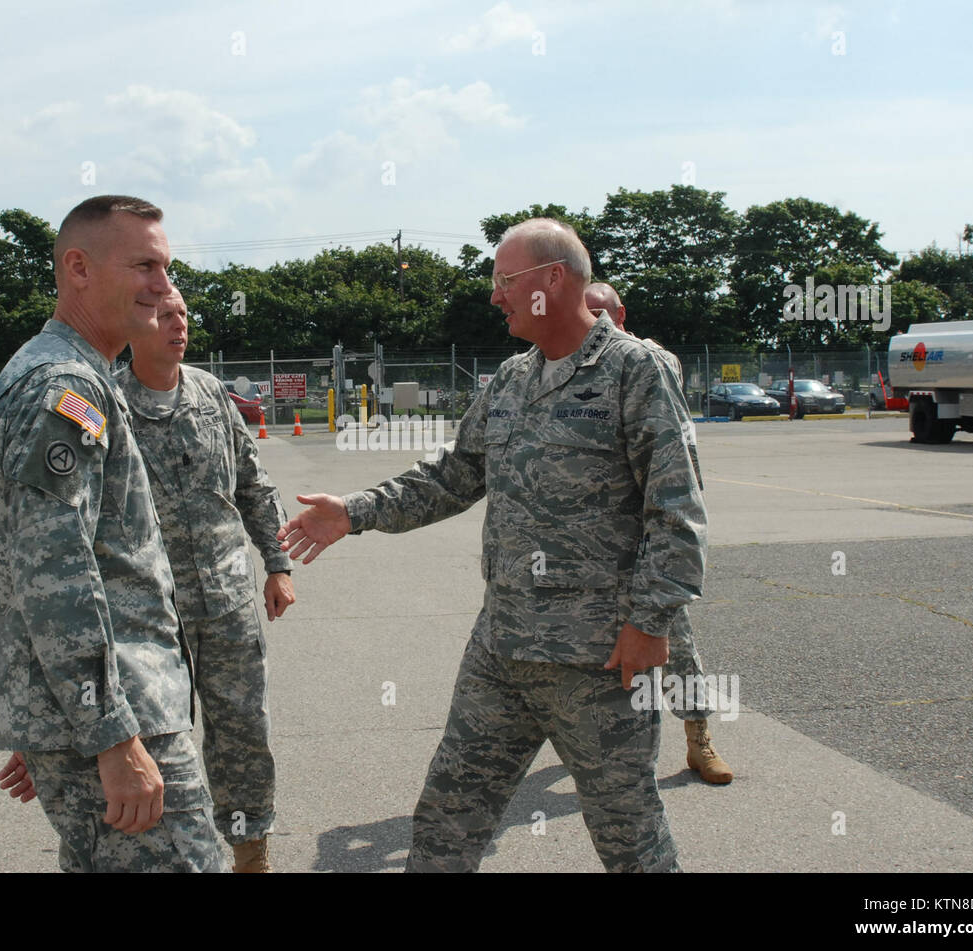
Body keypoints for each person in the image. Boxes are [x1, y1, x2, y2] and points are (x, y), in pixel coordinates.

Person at [278, 218, 707, 872]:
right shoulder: (509, 380)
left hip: (598, 663)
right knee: (445, 823)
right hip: (502, 652)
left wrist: (650, 624)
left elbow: (676, 511)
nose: (494, 296)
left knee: (632, 842)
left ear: (553, 280)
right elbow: (452, 477)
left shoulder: (634, 372)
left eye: (505, 280)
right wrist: (354, 512)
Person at [0, 194, 225, 873]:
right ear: (78, 268)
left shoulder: (82, 374)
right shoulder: (64, 385)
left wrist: (56, 720)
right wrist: (108, 736)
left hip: (104, 710)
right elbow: (54, 572)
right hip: (125, 717)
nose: (163, 287)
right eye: (144, 265)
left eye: (167, 268)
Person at [115, 289, 295, 872]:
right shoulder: (102, 405)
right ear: (133, 323)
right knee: (159, 743)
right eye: (165, 315)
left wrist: (278, 562)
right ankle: (171, 858)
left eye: (183, 315)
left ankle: (250, 852)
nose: (178, 324)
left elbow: (252, 482)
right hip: (147, 615)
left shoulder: (213, 394)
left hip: (227, 602)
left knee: (243, 733)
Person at [584, 281, 732, 784]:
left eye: (602, 312)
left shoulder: (653, 360)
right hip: (596, 542)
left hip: (651, 532)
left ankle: (698, 740)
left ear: (621, 313)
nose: (595, 322)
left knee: (675, 640)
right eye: (587, 314)